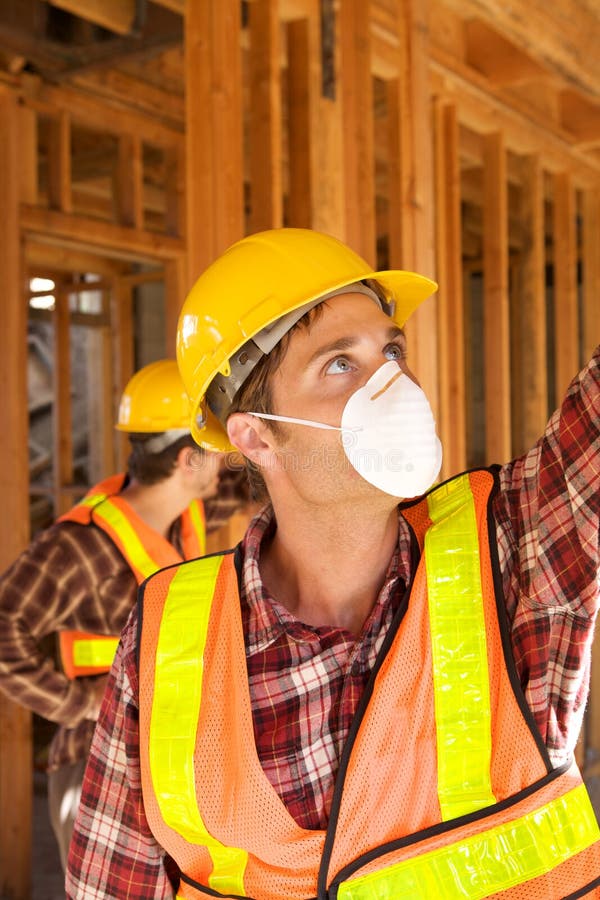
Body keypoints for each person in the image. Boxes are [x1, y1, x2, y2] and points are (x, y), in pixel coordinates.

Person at [67, 229, 600, 898]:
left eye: (392, 351)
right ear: (256, 434)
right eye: (340, 364)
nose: (393, 384)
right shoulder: (166, 641)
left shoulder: (512, 554)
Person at [0, 358, 245, 870]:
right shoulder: (80, 549)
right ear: (186, 462)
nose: (223, 464)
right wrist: (77, 704)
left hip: (172, 753)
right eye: (214, 452)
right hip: (99, 758)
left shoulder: (189, 512)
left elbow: (258, 484)